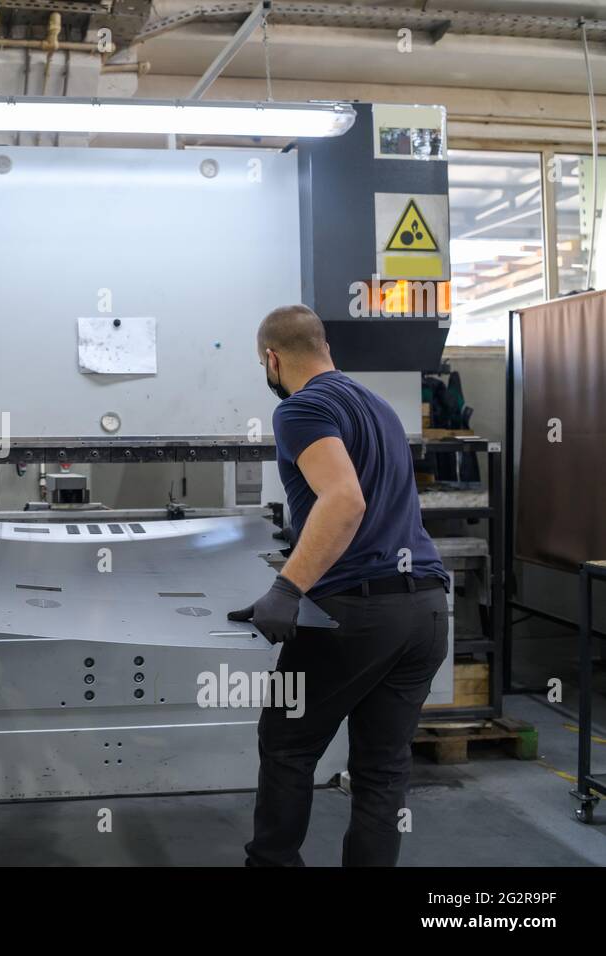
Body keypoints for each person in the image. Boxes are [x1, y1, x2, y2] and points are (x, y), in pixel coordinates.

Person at [228, 303, 449, 867]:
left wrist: (287, 589)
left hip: (353, 616)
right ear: (325, 347)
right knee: (382, 769)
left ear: (272, 359)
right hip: (424, 611)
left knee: (287, 747)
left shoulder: (301, 410)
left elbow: (344, 500)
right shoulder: (379, 407)